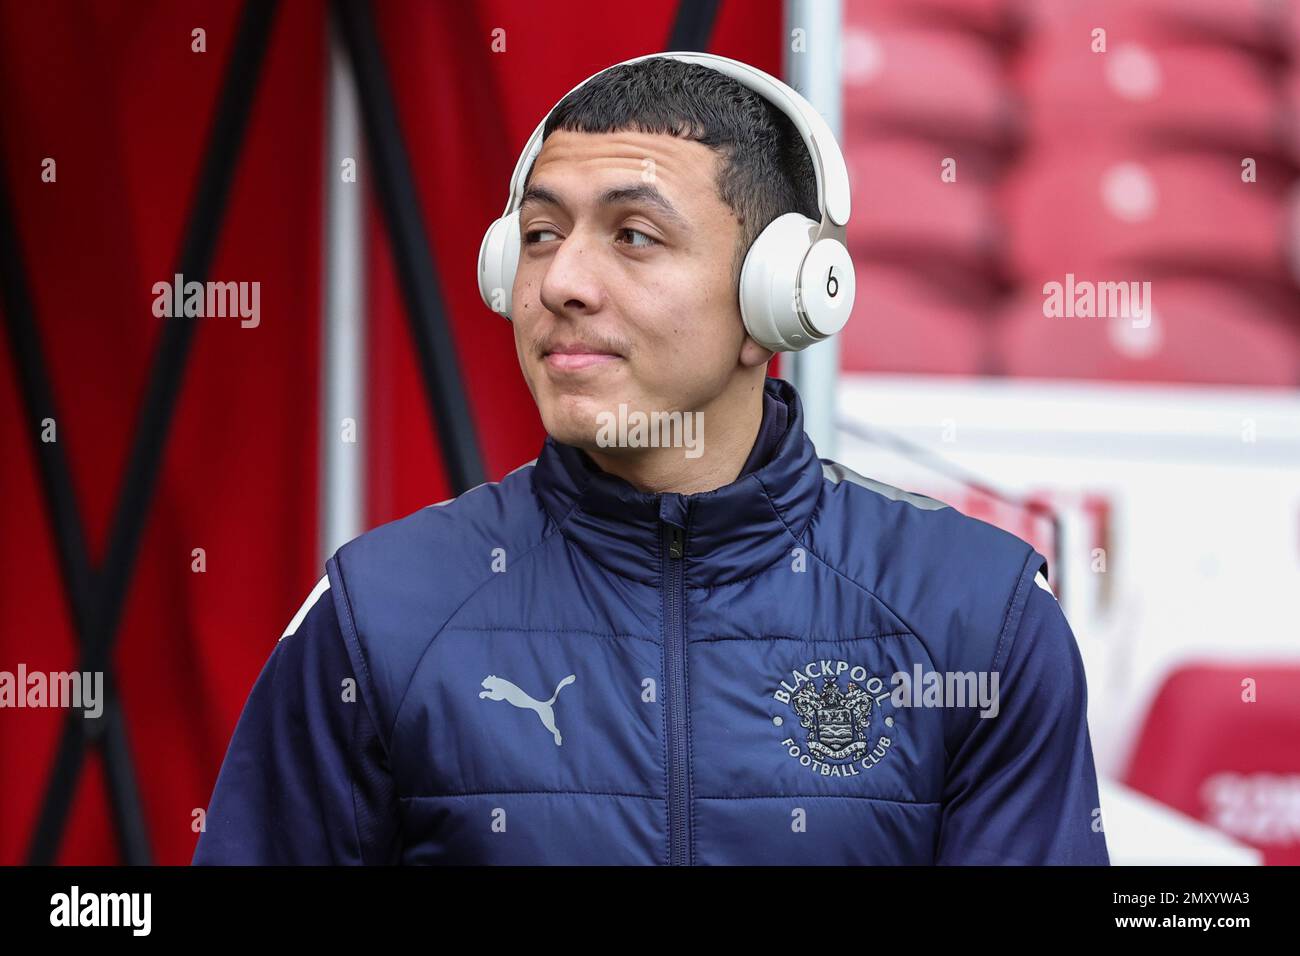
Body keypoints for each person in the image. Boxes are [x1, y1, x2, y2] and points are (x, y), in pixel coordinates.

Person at [193, 53, 1109, 865]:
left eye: (634, 236)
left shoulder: (977, 617)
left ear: (783, 298)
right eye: (542, 235)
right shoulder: (379, 611)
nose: (562, 283)